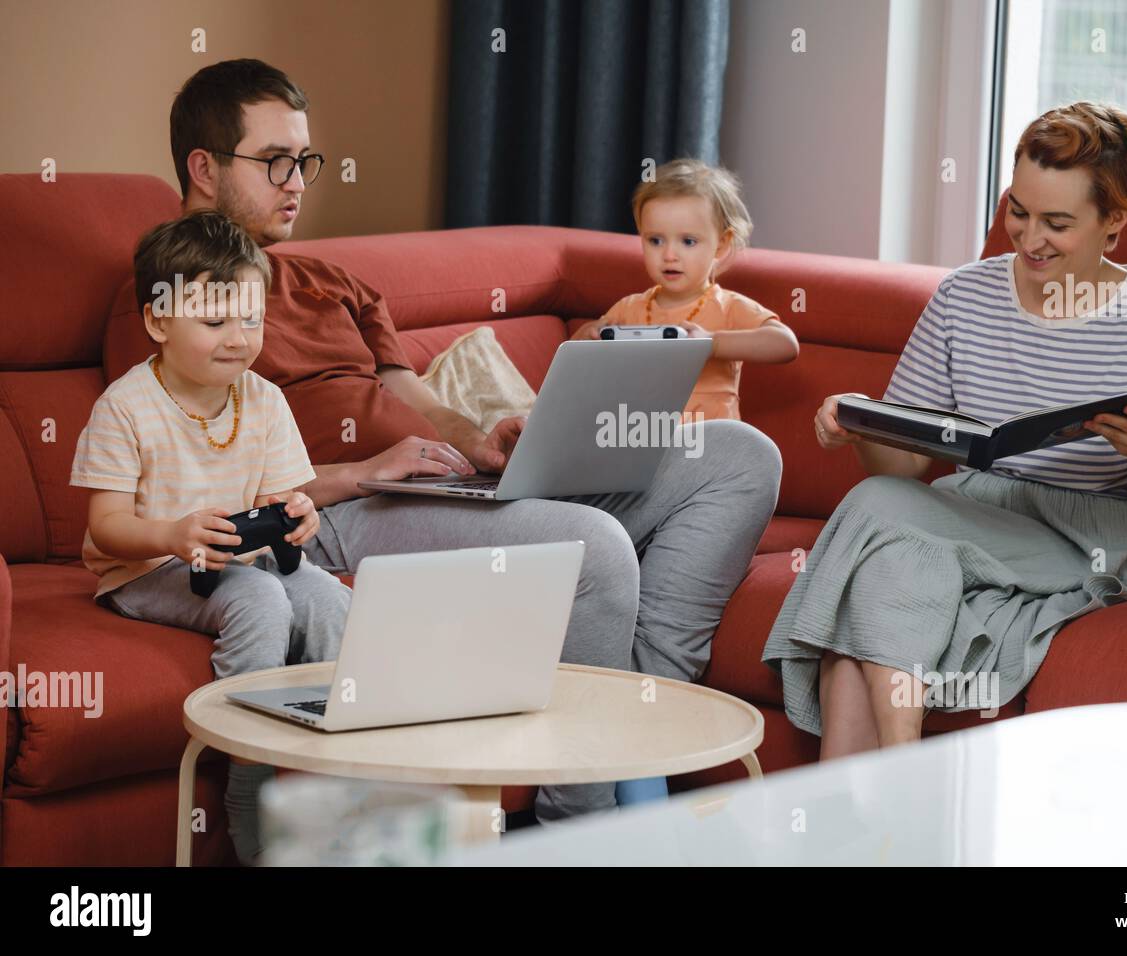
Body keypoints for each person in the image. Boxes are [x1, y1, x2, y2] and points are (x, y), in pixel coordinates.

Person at [103, 59, 783, 821]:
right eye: (275, 162)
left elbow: (414, 397)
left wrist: (488, 440)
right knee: (593, 547)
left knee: (742, 457)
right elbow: (191, 467)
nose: (298, 181)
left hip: (444, 484)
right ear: (203, 166)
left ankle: (640, 698)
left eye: (306, 160)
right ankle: (577, 821)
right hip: (345, 510)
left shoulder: (334, 281)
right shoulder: (181, 305)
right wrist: (363, 469)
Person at [763, 102, 1127, 760]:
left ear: (1116, 221)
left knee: (881, 547)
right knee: (887, 539)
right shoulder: (964, 297)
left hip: (1106, 535)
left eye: (1057, 222)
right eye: (1018, 209)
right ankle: (890, 799)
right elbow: (900, 472)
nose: (1029, 236)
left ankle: (865, 814)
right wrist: (861, 425)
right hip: (984, 515)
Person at [73, 211, 352, 863]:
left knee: (331, 598)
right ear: (158, 321)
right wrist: (171, 533)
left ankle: (334, 771)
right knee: (259, 600)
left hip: (237, 555)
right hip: (145, 566)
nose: (238, 338)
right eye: (215, 320)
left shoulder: (263, 399)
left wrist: (297, 513)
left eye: (250, 318)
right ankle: (248, 784)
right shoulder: (125, 406)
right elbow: (105, 529)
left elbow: (281, 500)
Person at [570, 158, 798, 420]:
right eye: (655, 240)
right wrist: (586, 336)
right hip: (642, 439)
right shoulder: (628, 308)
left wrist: (712, 343)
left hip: (712, 444)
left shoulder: (728, 306)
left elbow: (785, 344)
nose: (669, 255)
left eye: (688, 241)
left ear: (721, 246)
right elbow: (578, 363)